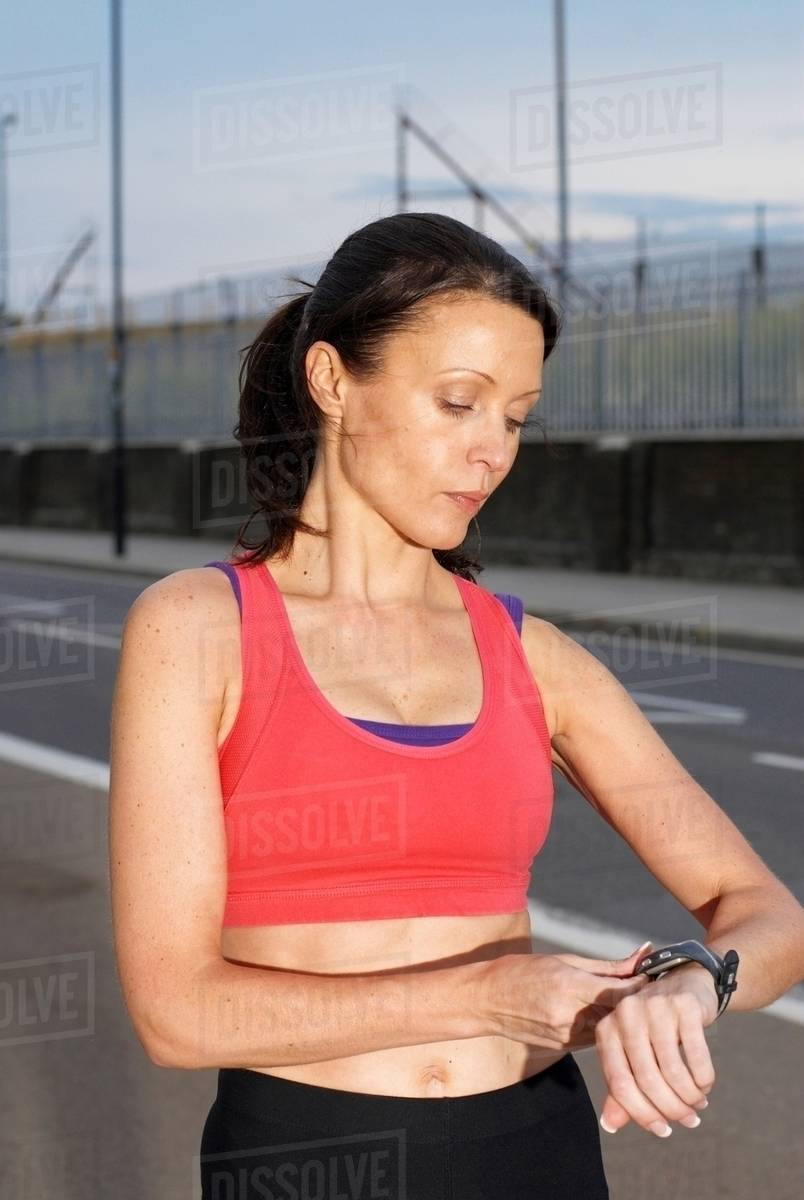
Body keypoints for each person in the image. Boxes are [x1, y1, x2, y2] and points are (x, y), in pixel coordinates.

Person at [108, 212, 804, 1200]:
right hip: (308, 1158)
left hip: (539, 1150)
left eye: (514, 417)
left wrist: (694, 980)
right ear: (333, 381)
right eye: (458, 403)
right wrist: (488, 992)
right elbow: (175, 1012)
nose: (492, 452)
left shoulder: (534, 657)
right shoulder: (194, 630)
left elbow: (768, 915)